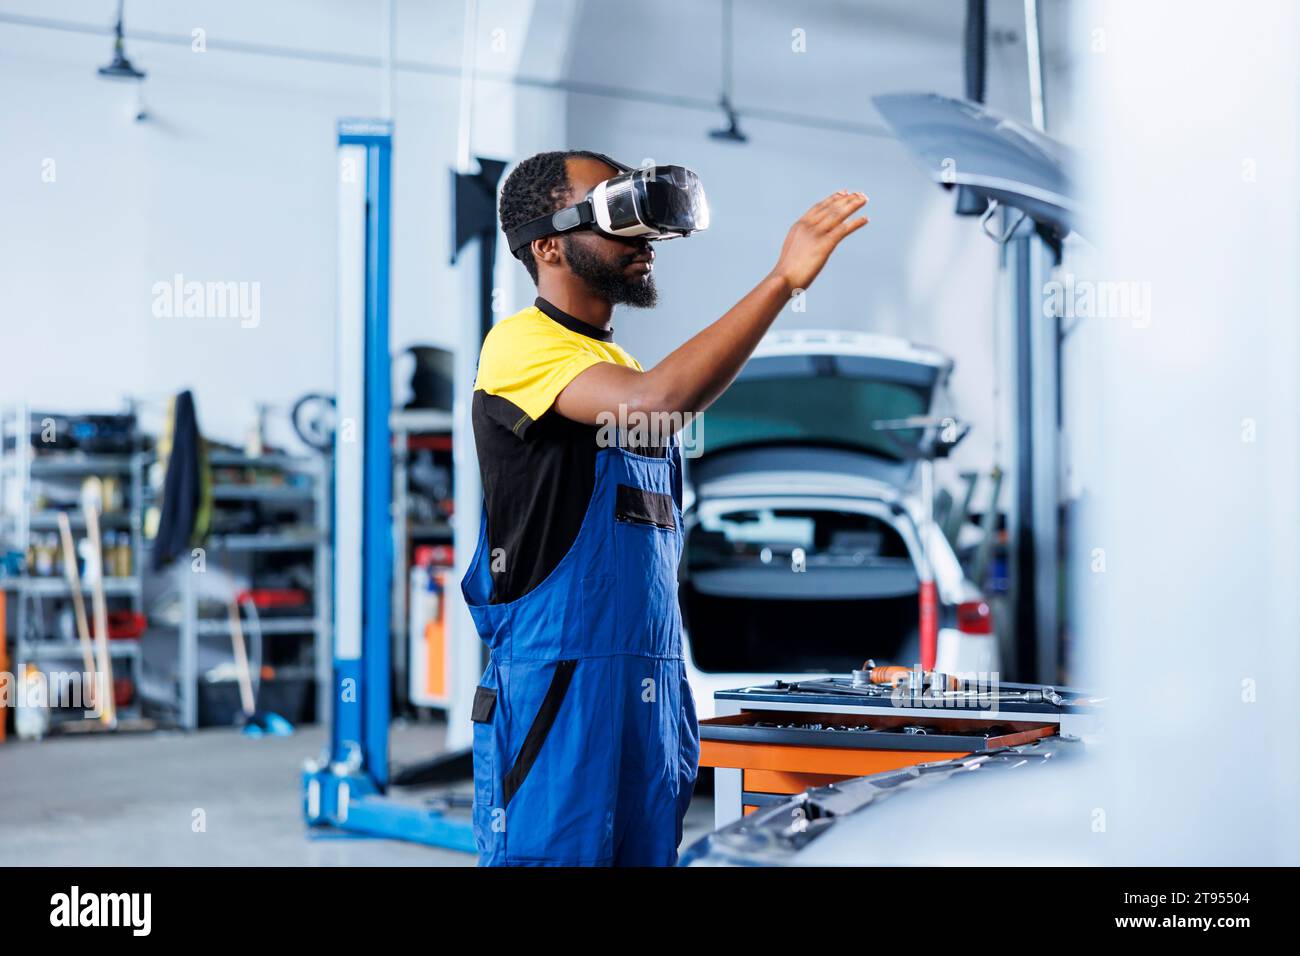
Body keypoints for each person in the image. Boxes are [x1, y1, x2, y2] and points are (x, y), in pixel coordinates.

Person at [462, 149, 868, 865]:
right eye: (617, 217)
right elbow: (661, 404)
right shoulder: (520, 347)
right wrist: (780, 281)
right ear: (548, 244)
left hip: (649, 690)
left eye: (643, 217)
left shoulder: (617, 368)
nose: (642, 239)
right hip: (559, 692)